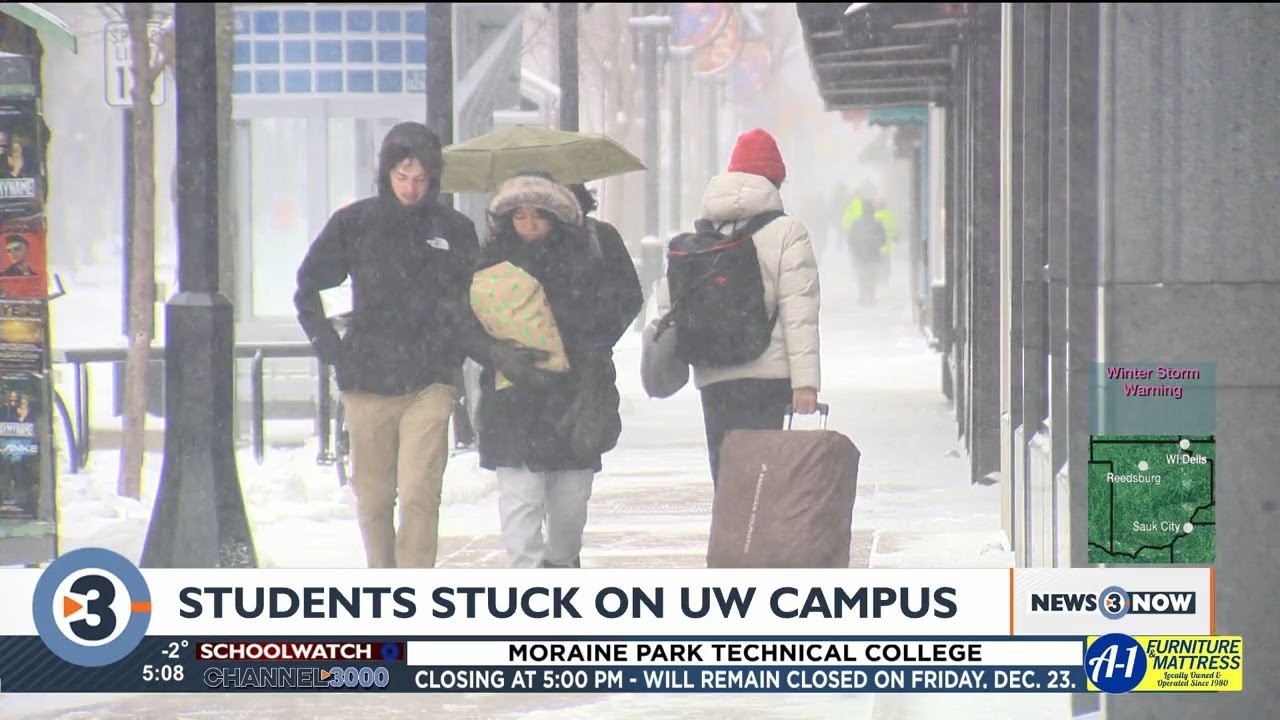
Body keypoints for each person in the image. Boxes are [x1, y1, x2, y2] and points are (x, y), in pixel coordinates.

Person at [293, 122, 499, 569]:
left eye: (421, 178)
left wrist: (484, 353)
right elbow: (308, 285)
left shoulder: (454, 229)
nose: (411, 188)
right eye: (402, 176)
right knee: (373, 497)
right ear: (386, 174)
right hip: (367, 379)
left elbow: (473, 301)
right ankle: (383, 582)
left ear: (434, 178)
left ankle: (413, 588)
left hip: (431, 380)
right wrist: (333, 350)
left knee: (420, 491)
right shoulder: (355, 223)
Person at [469, 173, 642, 568]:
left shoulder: (592, 250)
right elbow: (465, 319)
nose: (529, 225)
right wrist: (496, 352)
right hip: (513, 396)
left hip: (575, 395)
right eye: (520, 216)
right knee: (521, 502)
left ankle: (562, 567)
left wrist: (587, 343)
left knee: (570, 508)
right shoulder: (488, 260)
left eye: (539, 215)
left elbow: (625, 298)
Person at [657, 128, 822, 486]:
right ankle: (761, 524)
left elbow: (670, 303)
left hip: (714, 373)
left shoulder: (701, 235)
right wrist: (806, 384)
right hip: (769, 376)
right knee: (766, 479)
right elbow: (799, 312)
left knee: (728, 478)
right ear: (775, 180)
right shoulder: (788, 232)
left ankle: (732, 524)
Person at [849, 198, 888, 305]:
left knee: (862, 277)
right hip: (874, 255)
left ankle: (862, 297)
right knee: (872, 277)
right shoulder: (877, 224)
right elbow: (883, 239)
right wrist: (875, 245)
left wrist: (857, 247)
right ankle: (871, 297)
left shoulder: (856, 224)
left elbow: (851, 239)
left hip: (860, 255)